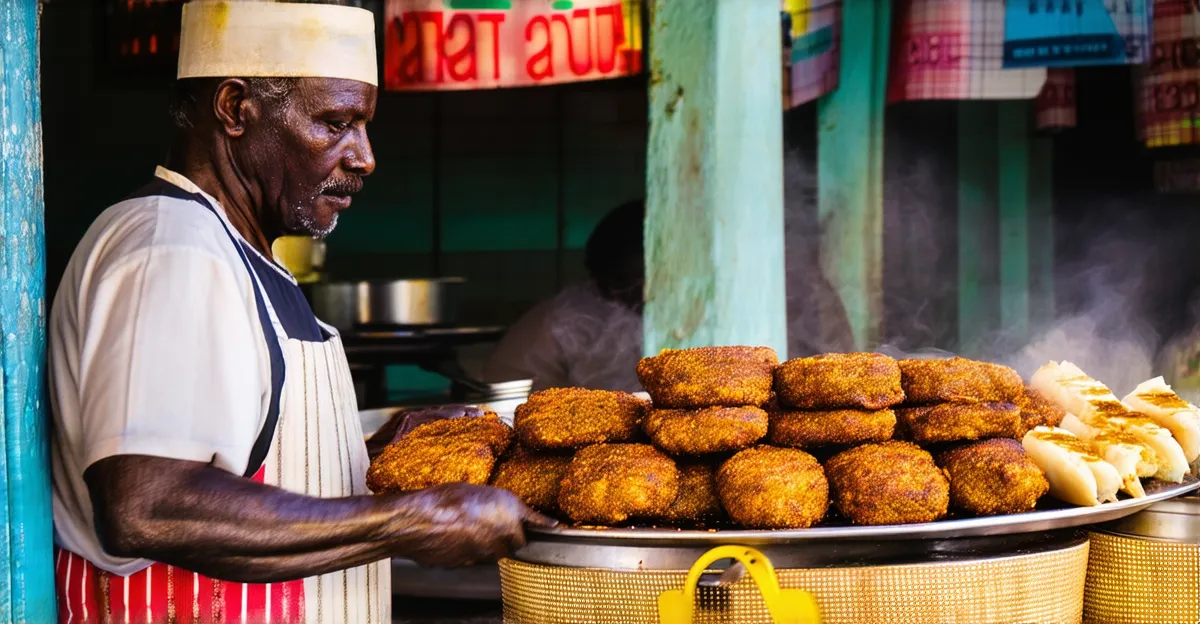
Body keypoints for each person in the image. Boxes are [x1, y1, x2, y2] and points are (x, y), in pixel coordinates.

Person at [48, 3, 550, 622]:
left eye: (364, 127)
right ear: (235, 108)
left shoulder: (241, 253)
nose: (363, 157)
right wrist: (409, 519)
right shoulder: (171, 247)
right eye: (336, 123)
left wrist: (366, 453)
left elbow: (233, 459)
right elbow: (148, 505)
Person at [484, 201, 645, 391]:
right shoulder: (559, 322)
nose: (637, 298)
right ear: (600, 279)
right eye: (622, 286)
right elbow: (507, 393)